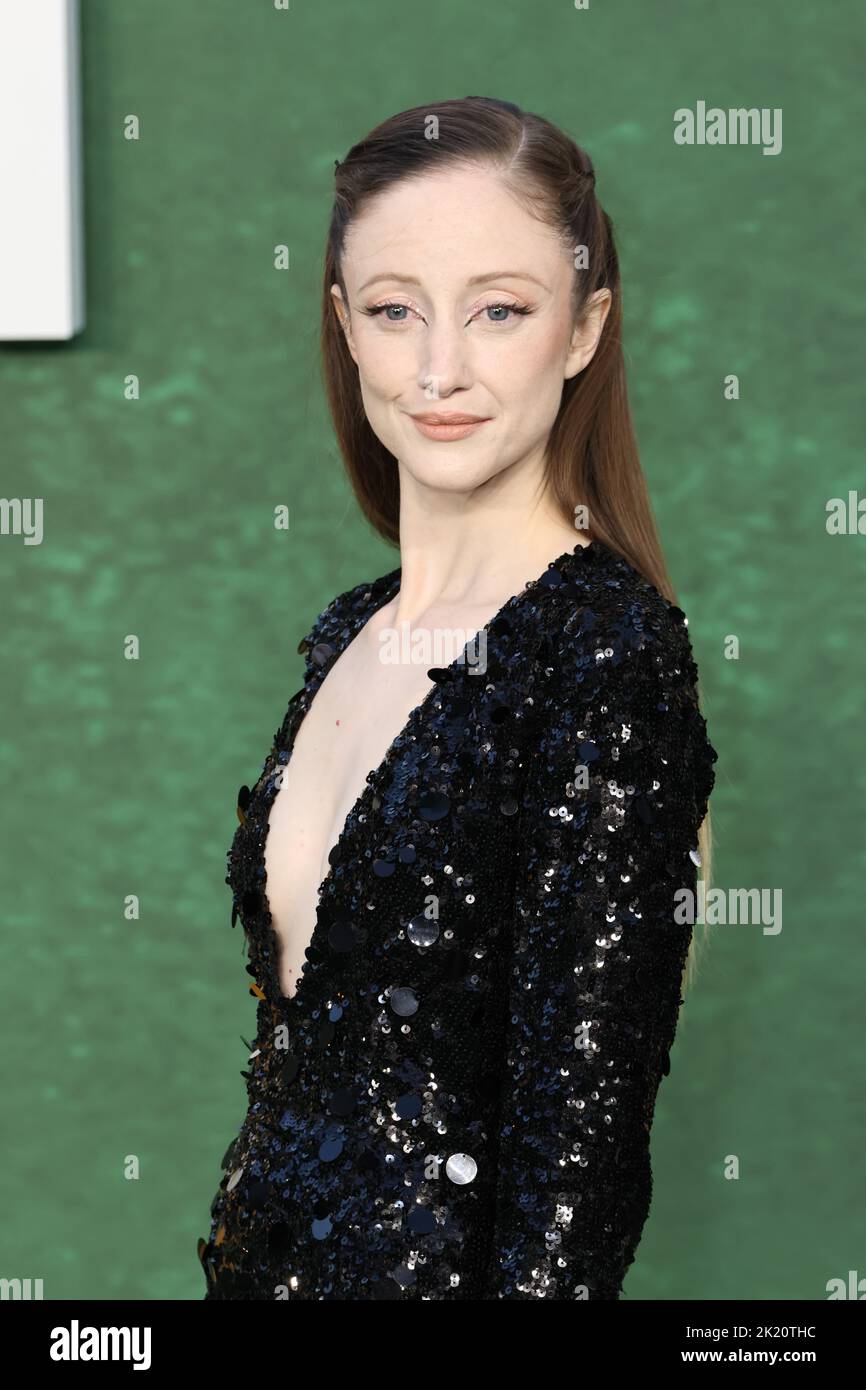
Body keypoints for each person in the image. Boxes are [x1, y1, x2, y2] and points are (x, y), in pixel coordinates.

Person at [198, 95, 718, 1300]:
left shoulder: (604, 656)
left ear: (583, 327)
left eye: (499, 310)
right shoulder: (345, 632)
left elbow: (575, 1177)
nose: (439, 368)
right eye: (394, 311)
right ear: (344, 326)